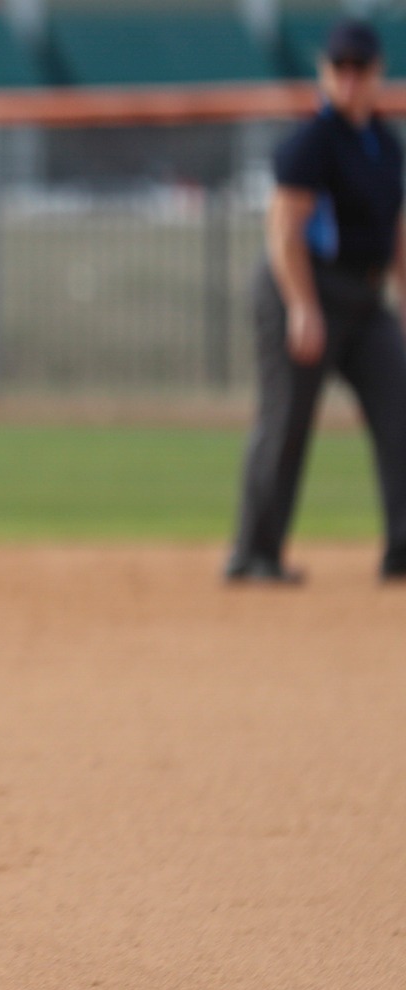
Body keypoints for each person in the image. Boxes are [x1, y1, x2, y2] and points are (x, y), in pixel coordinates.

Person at [228, 17, 406, 585]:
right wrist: (302, 307)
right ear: (325, 72)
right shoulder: (311, 143)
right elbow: (284, 230)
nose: (349, 78)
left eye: (360, 68)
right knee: (287, 421)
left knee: (399, 409)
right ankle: (255, 554)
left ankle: (402, 547)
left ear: (379, 74)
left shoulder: (384, 144)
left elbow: (396, 231)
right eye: (339, 67)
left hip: (365, 297)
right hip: (305, 288)